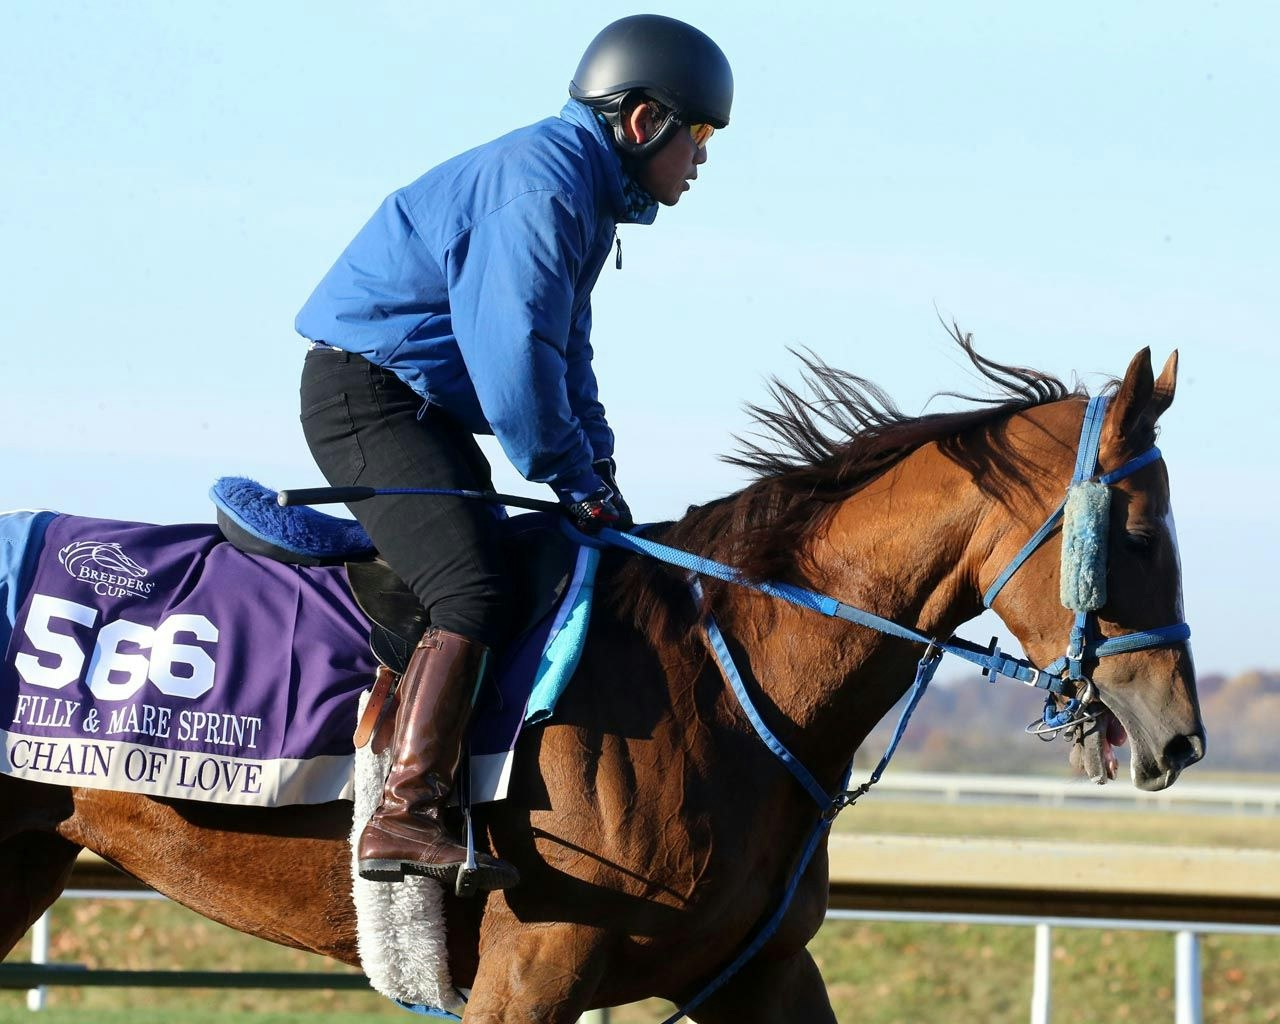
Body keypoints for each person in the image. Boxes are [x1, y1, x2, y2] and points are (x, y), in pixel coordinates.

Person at [293, 15, 734, 894]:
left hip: (416, 405)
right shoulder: (546, 191)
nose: (705, 160)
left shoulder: (578, 191)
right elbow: (515, 362)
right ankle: (406, 814)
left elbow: (568, 356)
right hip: (369, 397)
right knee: (473, 587)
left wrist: (597, 472)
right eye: (703, 135)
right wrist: (569, 474)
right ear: (644, 123)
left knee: (529, 563)